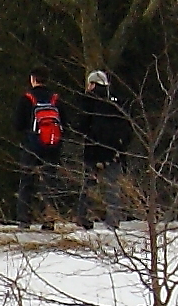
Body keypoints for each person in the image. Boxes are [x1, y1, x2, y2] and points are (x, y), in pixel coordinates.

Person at [79, 70, 132, 229]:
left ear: (93, 84)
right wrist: (121, 149)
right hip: (115, 151)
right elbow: (128, 128)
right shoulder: (118, 101)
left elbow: (82, 125)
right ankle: (113, 221)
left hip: (94, 151)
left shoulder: (89, 101)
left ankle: (83, 218)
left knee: (89, 185)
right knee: (112, 187)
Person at [15, 72, 67, 228]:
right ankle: (49, 219)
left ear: (32, 79)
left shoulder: (26, 98)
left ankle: (24, 219)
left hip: (31, 145)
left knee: (26, 181)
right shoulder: (55, 99)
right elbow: (66, 122)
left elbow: (18, 124)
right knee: (50, 182)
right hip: (52, 146)